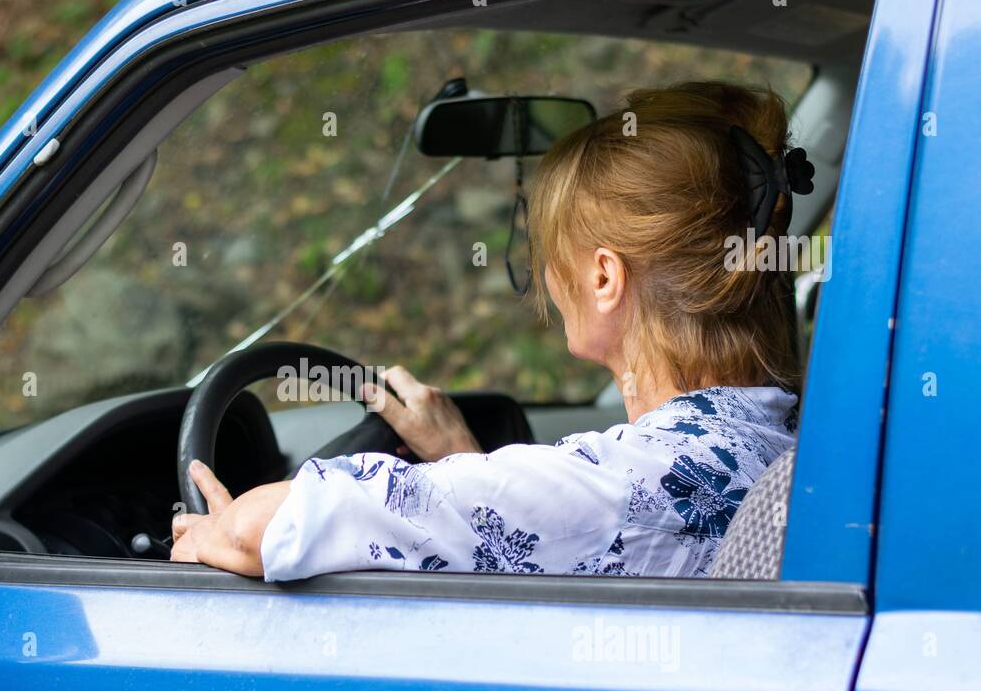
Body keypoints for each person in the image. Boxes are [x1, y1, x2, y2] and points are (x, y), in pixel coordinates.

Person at [171, 81, 808, 580]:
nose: (546, 278)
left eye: (551, 251)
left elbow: (263, 530)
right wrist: (458, 458)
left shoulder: (632, 478)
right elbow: (549, 538)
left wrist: (210, 532)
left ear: (605, 278)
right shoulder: (781, 445)